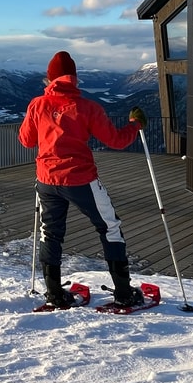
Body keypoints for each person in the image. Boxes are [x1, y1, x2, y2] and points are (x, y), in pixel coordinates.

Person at [18, 51, 147, 308]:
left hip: (46, 179)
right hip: (80, 180)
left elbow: (26, 140)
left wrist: (39, 118)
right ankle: (123, 292)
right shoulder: (88, 108)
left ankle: (54, 294)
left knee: (50, 233)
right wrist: (135, 125)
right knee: (109, 227)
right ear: (75, 79)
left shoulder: (37, 104)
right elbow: (116, 141)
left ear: (49, 79)